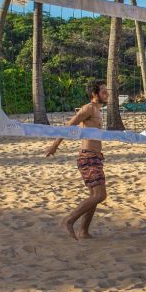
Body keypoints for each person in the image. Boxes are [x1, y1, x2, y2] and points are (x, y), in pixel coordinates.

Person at [45, 79, 109, 240]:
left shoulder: (98, 110)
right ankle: (69, 220)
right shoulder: (88, 108)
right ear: (94, 94)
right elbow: (69, 125)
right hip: (87, 157)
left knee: (94, 196)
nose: (107, 93)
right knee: (100, 195)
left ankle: (84, 231)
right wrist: (55, 145)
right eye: (103, 91)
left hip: (95, 157)